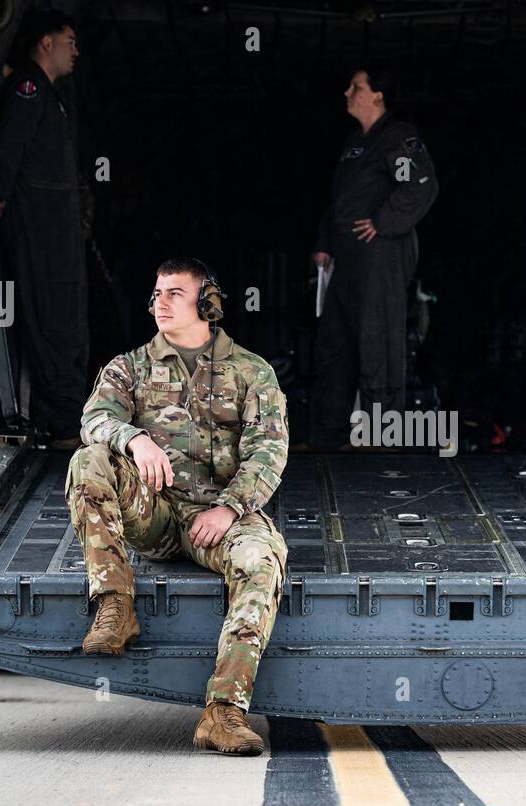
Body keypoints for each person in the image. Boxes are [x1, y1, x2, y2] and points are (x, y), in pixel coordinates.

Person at [65, 257, 289, 756]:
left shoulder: (252, 372)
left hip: (221, 517)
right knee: (89, 460)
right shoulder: (130, 366)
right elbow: (95, 418)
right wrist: (134, 439)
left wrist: (230, 509)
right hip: (157, 513)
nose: (158, 303)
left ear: (207, 303)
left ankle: (224, 713)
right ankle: (115, 605)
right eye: (155, 293)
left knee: (263, 562)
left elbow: (269, 452)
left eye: (173, 293)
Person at [306, 67, 439, 450]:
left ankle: (382, 439)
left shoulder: (397, 137)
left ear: (378, 95)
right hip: (346, 263)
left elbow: (420, 185)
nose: (348, 91)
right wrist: (325, 242)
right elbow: (339, 203)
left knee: (378, 342)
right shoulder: (354, 144)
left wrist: (382, 222)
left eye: (356, 87)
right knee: (335, 343)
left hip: (380, 259)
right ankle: (327, 438)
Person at [0, 11, 87, 450]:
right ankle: (63, 421)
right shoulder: (29, 89)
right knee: (52, 315)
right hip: (40, 228)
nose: (75, 51)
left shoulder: (48, 94)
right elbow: (10, 149)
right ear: (46, 42)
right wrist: (0, 198)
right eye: (69, 41)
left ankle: (66, 415)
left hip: (56, 228)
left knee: (65, 314)